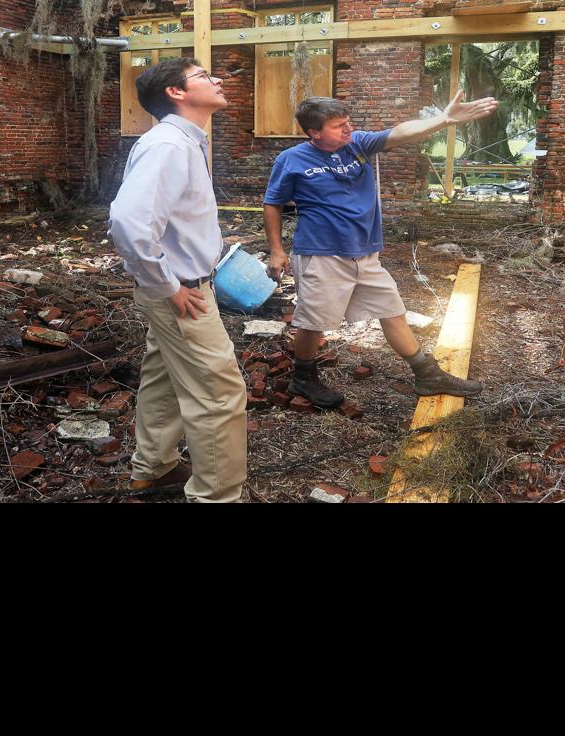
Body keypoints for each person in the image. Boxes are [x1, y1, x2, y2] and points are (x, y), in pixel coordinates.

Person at [263, 91, 497, 409]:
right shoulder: (291, 160)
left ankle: (426, 374)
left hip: (365, 254)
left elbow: (399, 132)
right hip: (321, 254)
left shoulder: (358, 144)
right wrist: (277, 250)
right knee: (312, 322)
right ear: (314, 132)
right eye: (337, 126)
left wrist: (444, 119)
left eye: (348, 122)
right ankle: (303, 377)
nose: (348, 129)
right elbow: (273, 203)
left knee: (393, 311)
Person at [108, 58, 248, 502]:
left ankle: (152, 468)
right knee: (220, 393)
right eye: (205, 76)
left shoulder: (180, 142)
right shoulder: (170, 145)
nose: (218, 79)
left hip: (181, 284)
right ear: (176, 92)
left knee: (164, 378)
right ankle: (216, 496)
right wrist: (169, 286)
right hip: (180, 290)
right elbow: (129, 225)